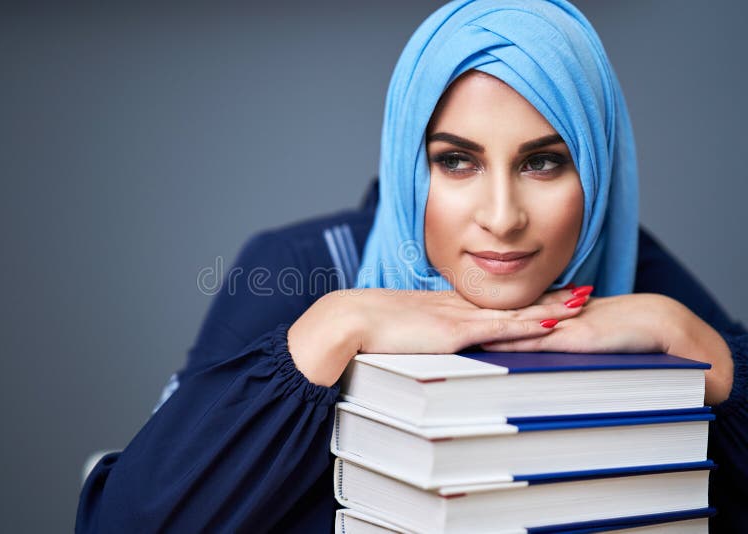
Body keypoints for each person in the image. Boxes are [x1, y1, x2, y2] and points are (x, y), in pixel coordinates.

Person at [76, 0, 747, 532]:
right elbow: (125, 522)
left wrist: (698, 346)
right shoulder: (308, 268)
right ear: (409, 163)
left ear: (597, 173)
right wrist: (331, 329)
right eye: (457, 160)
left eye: (543, 162)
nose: (503, 216)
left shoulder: (633, 272)